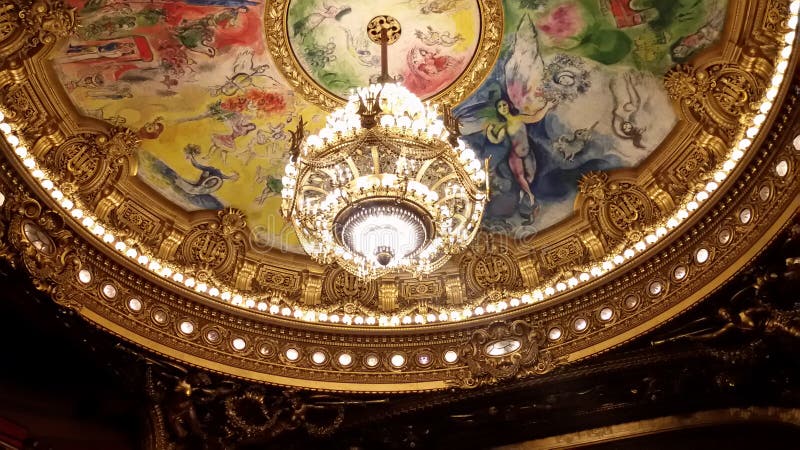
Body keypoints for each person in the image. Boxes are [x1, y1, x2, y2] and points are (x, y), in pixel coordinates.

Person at [485, 99, 552, 211]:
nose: (503, 107)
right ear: (499, 111)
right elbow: (496, 140)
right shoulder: (504, 127)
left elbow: (535, 117)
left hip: (528, 152)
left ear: (509, 105)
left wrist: (547, 106)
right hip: (515, 155)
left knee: (530, 177)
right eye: (500, 107)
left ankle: (523, 191)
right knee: (520, 176)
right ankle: (531, 196)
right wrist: (489, 132)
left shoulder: (520, 118)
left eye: (504, 105)